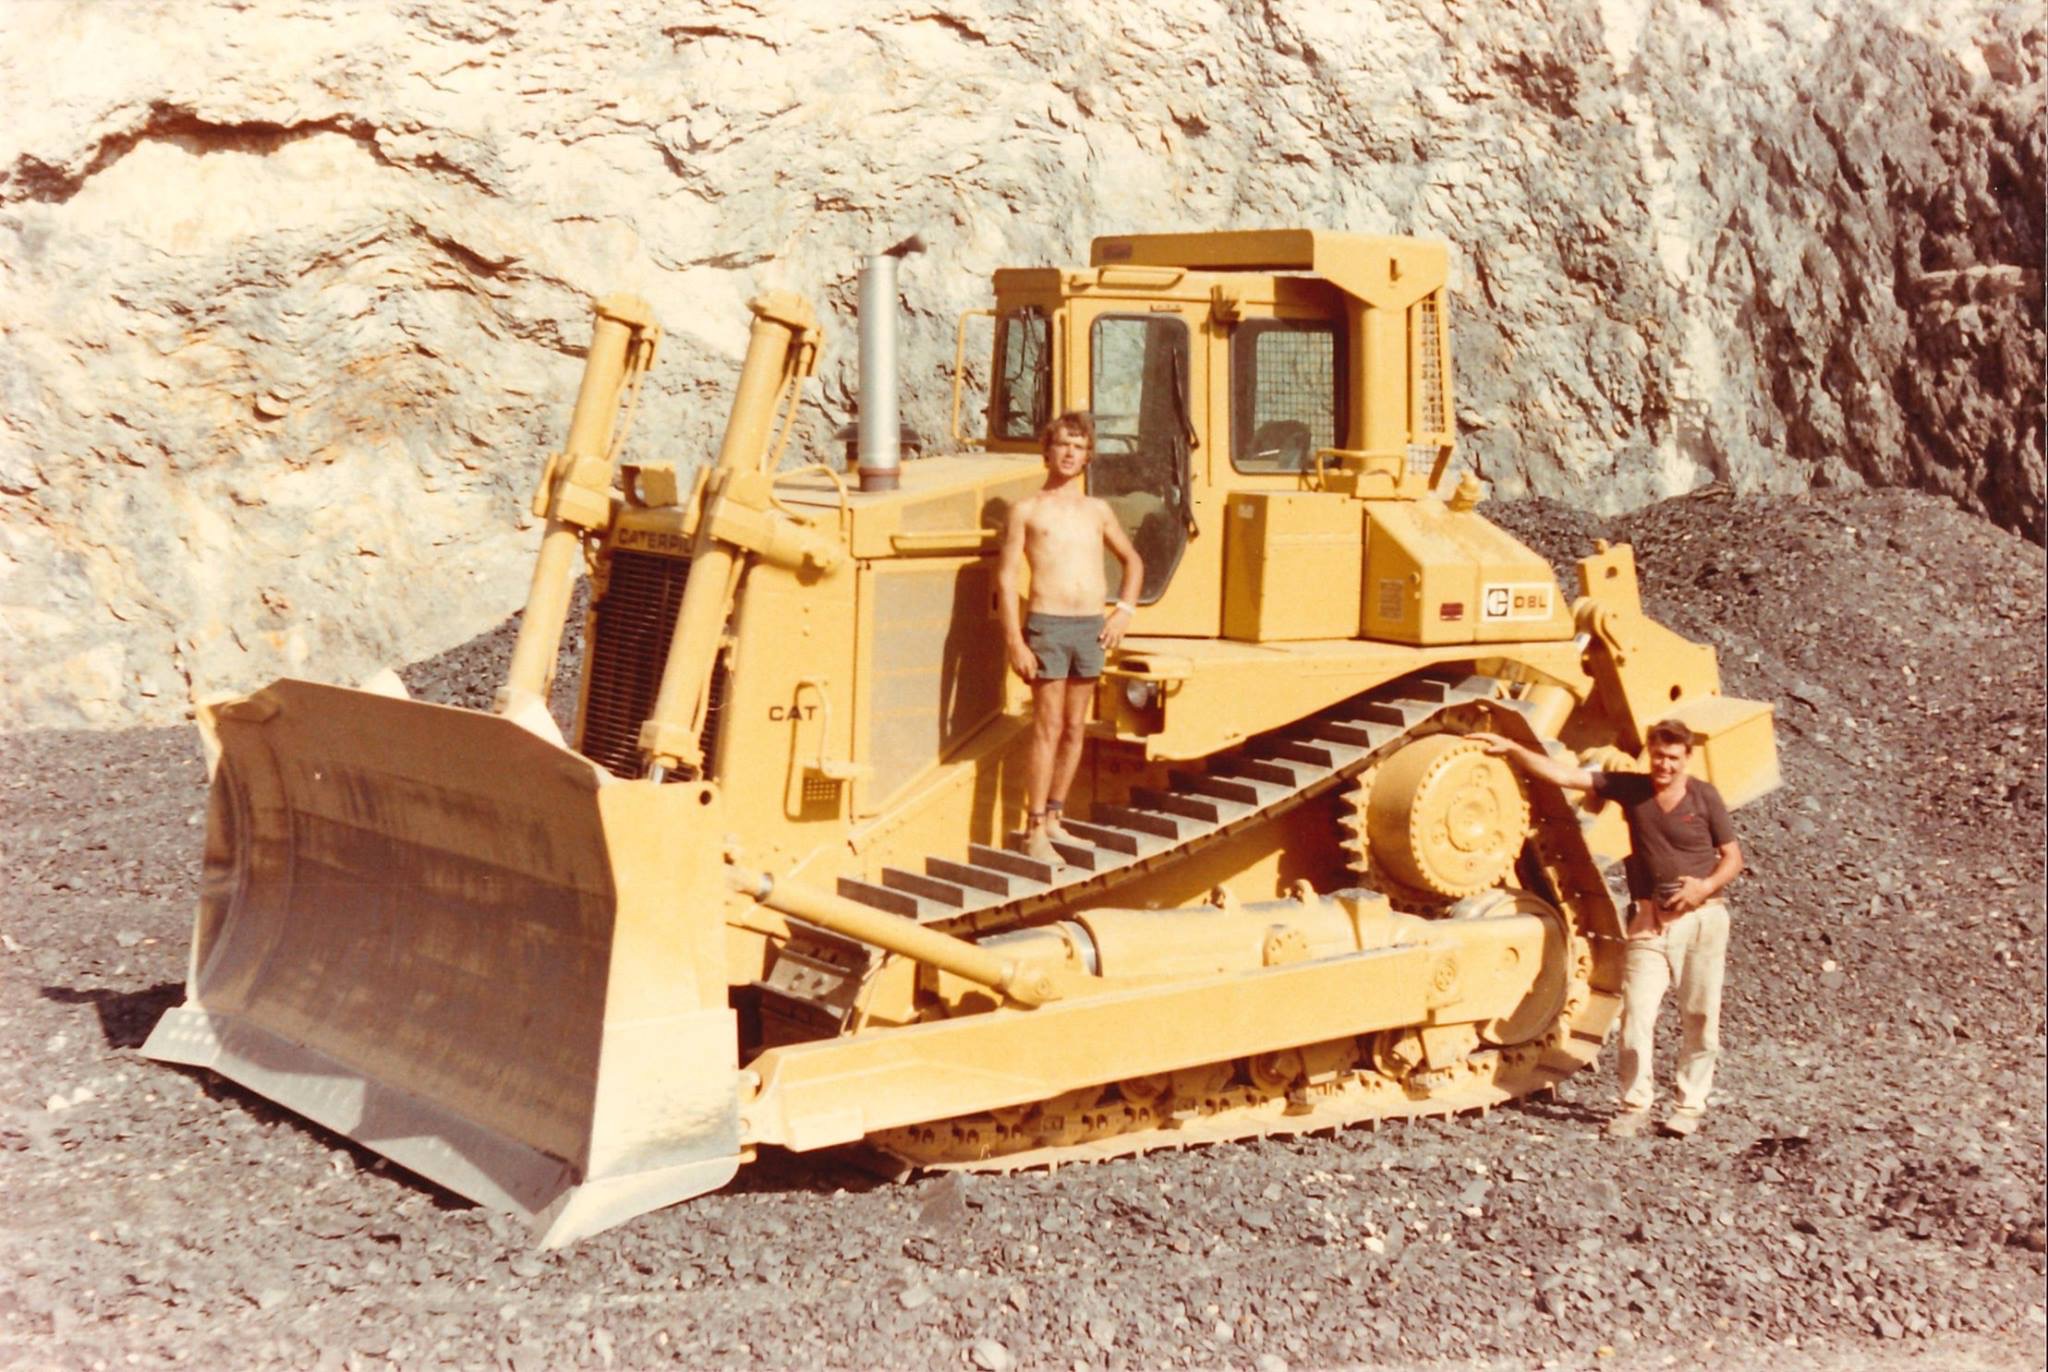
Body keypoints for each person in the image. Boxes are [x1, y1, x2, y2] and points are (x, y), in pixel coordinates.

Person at [1470, 720, 1744, 1138]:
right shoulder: (1632, 789)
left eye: (1673, 758)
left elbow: (1733, 858)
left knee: (1700, 1016)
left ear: (1687, 758)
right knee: (1636, 1018)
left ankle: (1688, 1107)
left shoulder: (1704, 796)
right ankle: (1634, 1105)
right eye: (1658, 756)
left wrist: (1703, 887)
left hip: (1703, 920)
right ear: (1650, 753)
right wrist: (1511, 747)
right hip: (1650, 923)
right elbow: (1567, 776)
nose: (1665, 765)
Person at [997, 411, 1145, 865]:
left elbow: (1133, 562)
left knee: (1076, 727)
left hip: (1090, 628)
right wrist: (1016, 642)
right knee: (1048, 728)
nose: (1069, 453)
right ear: (1047, 450)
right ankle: (1033, 830)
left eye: (1078, 447)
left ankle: (1055, 818)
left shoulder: (1097, 511)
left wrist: (1122, 613)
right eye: (1062, 444)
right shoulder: (1026, 510)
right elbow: (1006, 580)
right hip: (1049, 626)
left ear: (1087, 457)